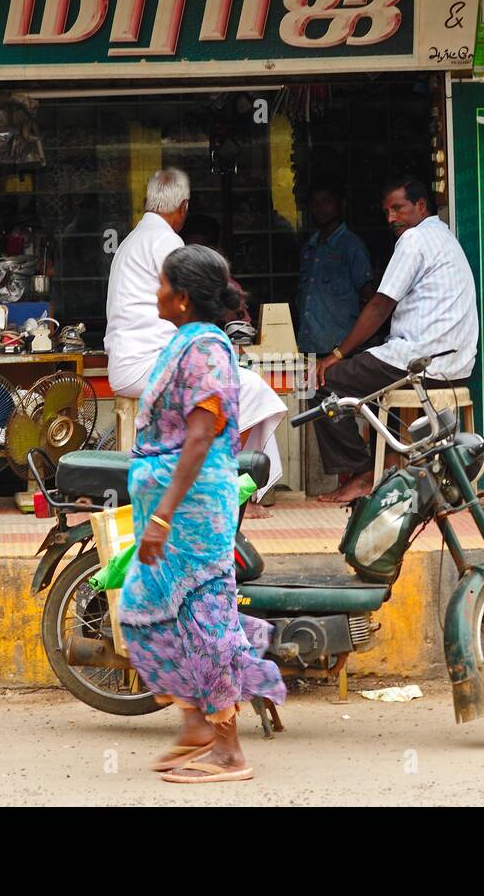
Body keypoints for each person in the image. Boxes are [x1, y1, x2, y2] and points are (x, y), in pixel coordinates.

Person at [120, 244, 287, 784]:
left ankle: (228, 750)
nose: (156, 293)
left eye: (164, 285)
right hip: (171, 511)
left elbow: (199, 438)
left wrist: (162, 516)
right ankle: (193, 724)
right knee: (144, 611)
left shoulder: (207, 351)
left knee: (205, 625)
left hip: (191, 516)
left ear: (184, 298)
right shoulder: (184, 342)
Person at [105, 169, 286, 501]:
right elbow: (187, 305)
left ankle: (244, 484)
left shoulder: (131, 241)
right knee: (251, 388)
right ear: (183, 207)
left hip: (131, 363)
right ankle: (240, 488)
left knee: (242, 386)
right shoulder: (166, 241)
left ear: (148, 201)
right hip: (146, 365)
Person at [311, 176, 478, 503]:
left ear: (420, 205)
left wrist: (338, 353)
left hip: (420, 361)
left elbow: (380, 304)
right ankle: (386, 465)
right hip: (454, 365)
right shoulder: (444, 236)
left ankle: (361, 474)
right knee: (370, 375)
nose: (391, 218)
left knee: (325, 381)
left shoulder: (414, 240)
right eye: (387, 211)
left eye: (398, 208)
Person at [296, 179, 374, 356]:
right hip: (307, 347)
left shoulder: (352, 246)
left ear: (342, 204)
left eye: (327, 201)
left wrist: (354, 344)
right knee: (307, 384)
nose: (320, 208)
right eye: (315, 203)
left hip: (340, 350)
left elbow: (368, 298)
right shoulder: (309, 248)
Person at [181, 213, 250, 325]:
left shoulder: (229, 287)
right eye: (190, 253)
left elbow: (242, 329)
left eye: (202, 252)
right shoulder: (178, 286)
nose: (196, 259)